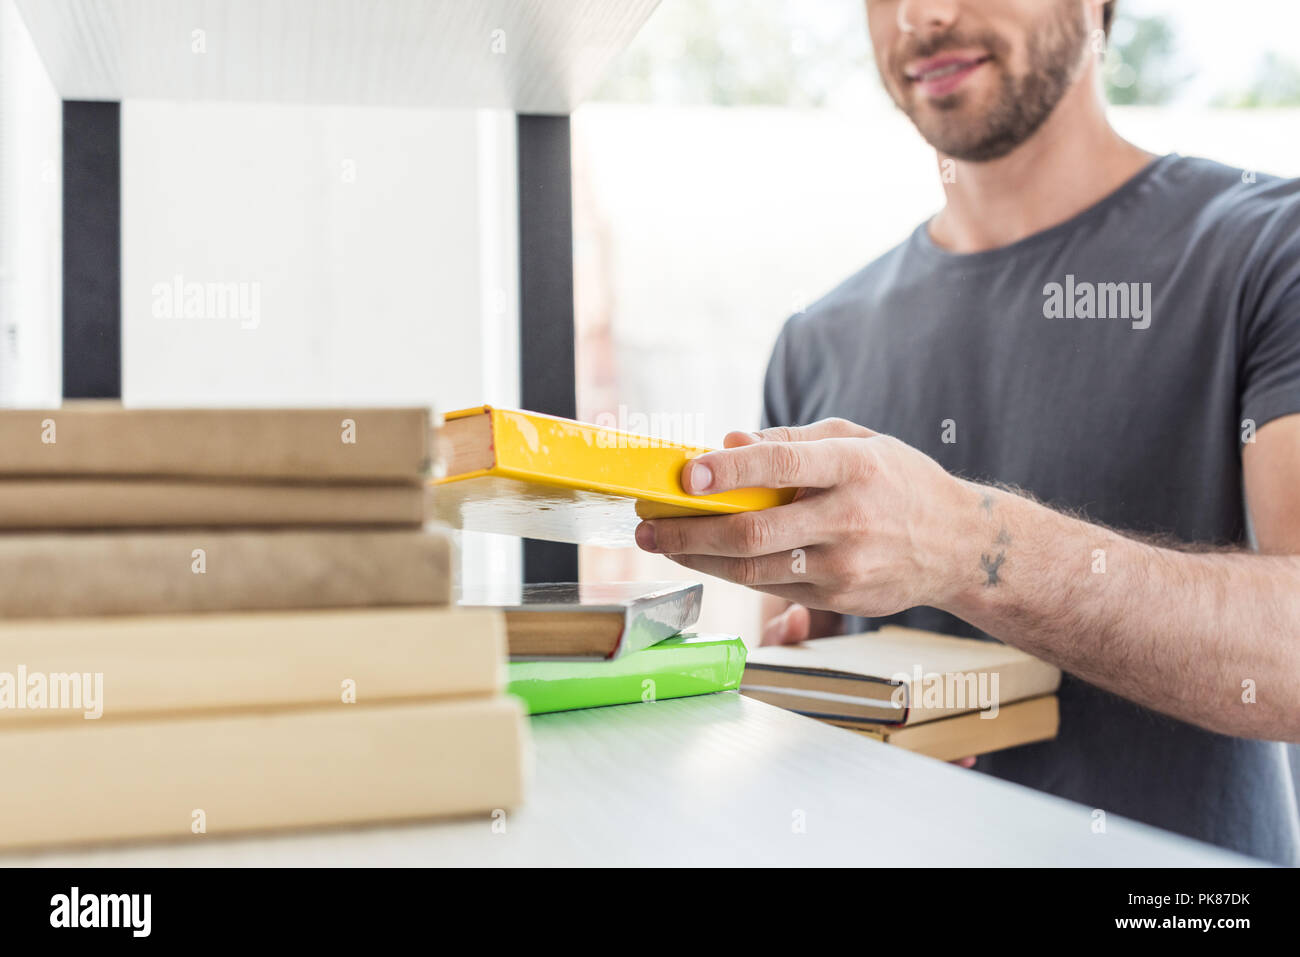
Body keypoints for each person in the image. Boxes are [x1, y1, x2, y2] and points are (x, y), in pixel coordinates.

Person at [633, 0, 1300, 864]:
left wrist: (965, 547)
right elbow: (804, 666)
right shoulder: (816, 340)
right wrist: (819, 678)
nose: (923, 15)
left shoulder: (1267, 250)